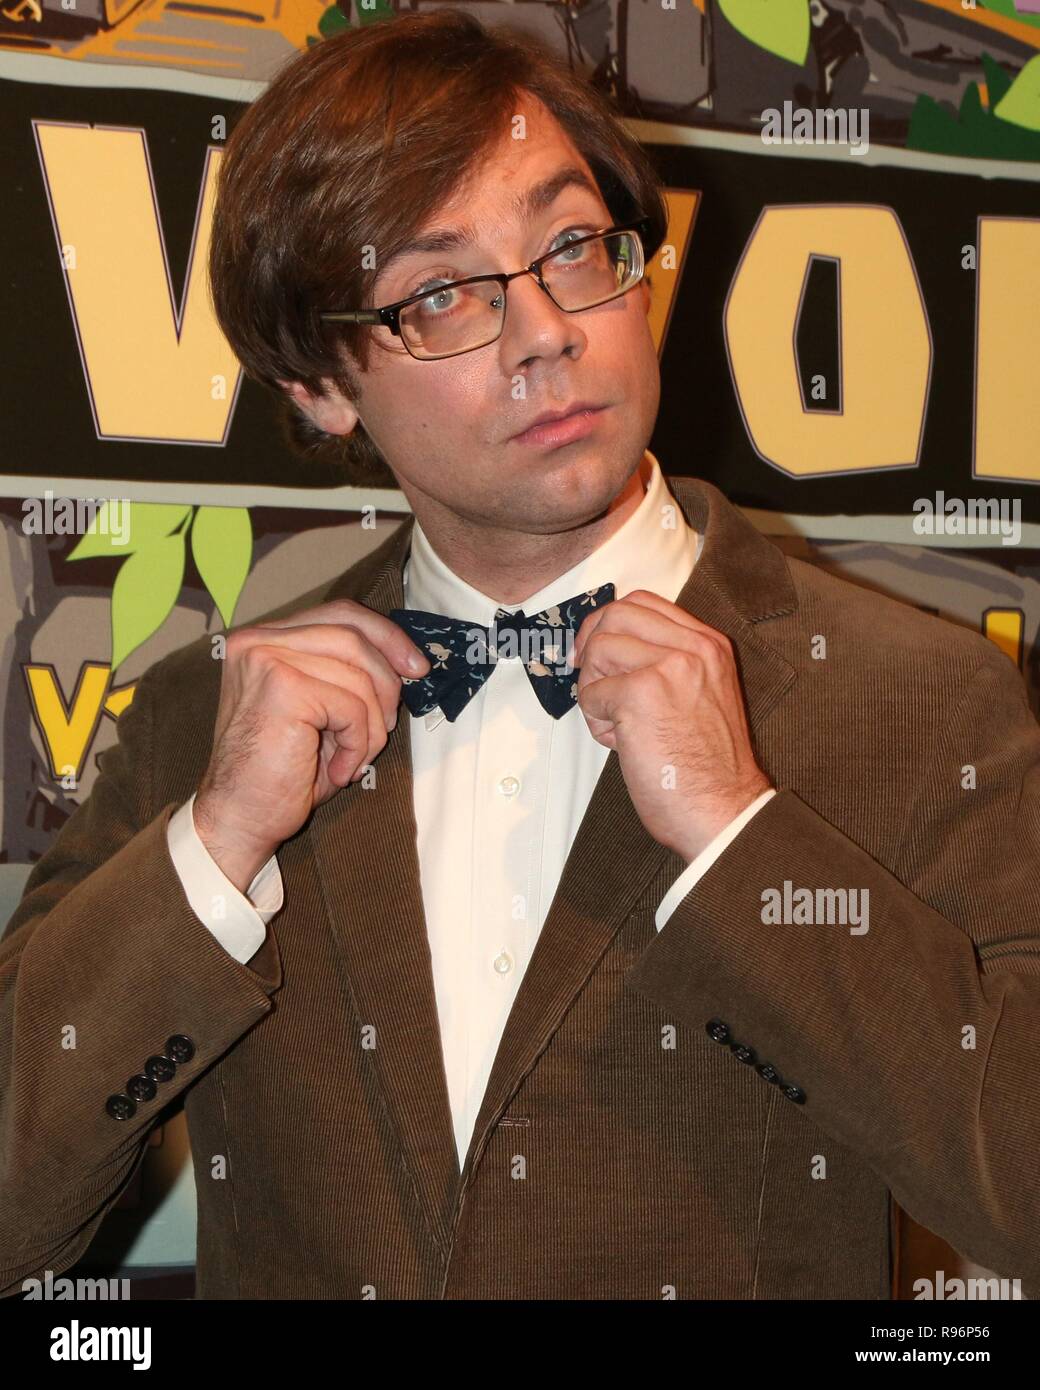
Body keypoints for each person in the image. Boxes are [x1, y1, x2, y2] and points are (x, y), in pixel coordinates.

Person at [2, 9, 1039, 1301]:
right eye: (442, 292)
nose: (546, 328)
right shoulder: (196, 724)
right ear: (323, 382)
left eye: (569, 247)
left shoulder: (923, 702)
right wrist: (212, 847)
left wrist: (738, 831)